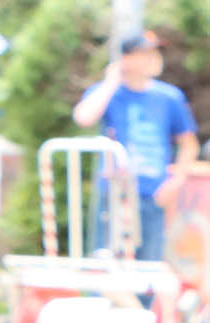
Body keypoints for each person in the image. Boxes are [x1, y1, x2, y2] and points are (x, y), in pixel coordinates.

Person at [71, 30, 197, 259]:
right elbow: (83, 117)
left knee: (148, 266)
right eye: (145, 53)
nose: (154, 58)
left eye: (155, 53)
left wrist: (175, 182)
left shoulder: (169, 97)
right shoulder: (110, 93)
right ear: (126, 58)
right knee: (108, 262)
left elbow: (188, 143)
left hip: (154, 193)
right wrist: (112, 81)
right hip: (115, 193)